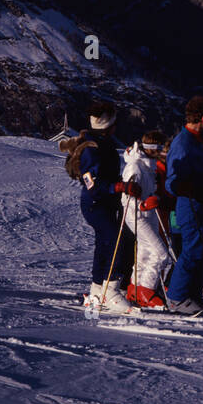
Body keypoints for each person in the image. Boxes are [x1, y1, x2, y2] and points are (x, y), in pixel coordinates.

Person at [73, 101, 134, 313]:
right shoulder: (92, 147)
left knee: (106, 243)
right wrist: (116, 186)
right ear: (108, 125)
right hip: (96, 203)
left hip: (105, 202)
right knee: (116, 242)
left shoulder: (103, 142)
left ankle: (97, 289)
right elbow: (90, 180)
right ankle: (111, 290)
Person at [164, 96, 203, 315]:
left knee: (202, 250)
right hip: (191, 202)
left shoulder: (200, 139)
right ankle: (177, 297)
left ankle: (194, 295)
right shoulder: (184, 142)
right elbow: (172, 180)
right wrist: (184, 186)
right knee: (192, 250)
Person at [121, 130, 170, 309]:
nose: (162, 152)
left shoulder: (148, 166)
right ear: (152, 148)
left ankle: (135, 288)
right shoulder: (135, 167)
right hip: (137, 216)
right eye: (160, 148)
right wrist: (142, 205)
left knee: (145, 253)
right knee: (161, 253)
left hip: (148, 214)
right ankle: (147, 289)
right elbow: (127, 197)